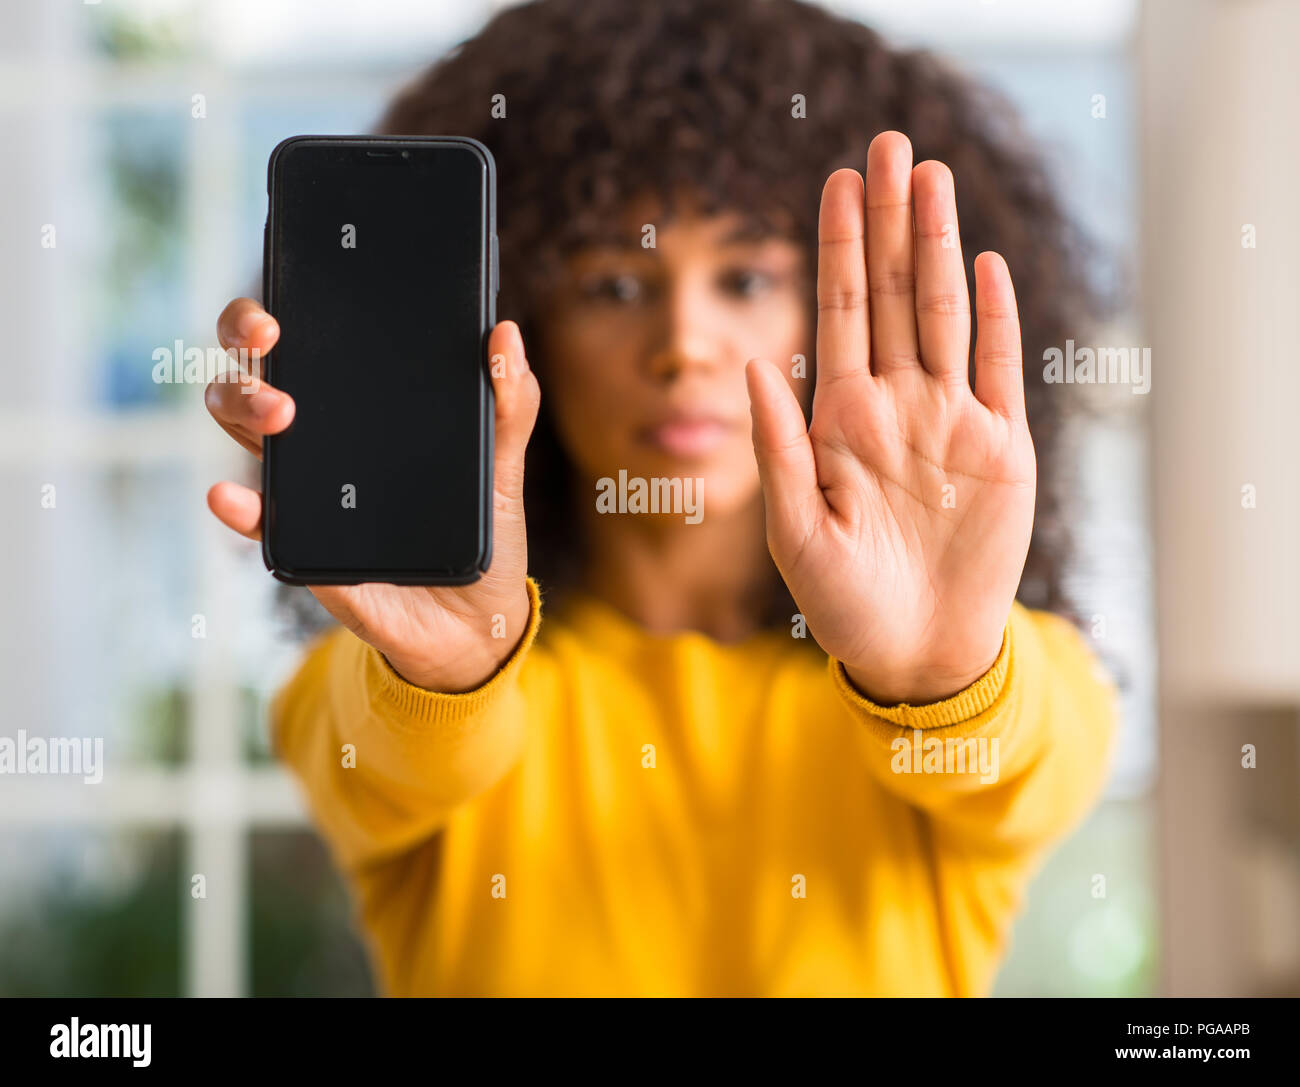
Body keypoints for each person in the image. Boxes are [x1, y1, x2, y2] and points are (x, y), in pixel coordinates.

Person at [204, 0, 1117, 996]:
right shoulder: (388, 683)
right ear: (516, 322)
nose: (684, 345)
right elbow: (380, 757)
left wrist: (941, 676)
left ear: (833, 307)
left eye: (744, 279)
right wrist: (449, 677)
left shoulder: (988, 677)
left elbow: (1022, 766)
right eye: (613, 287)